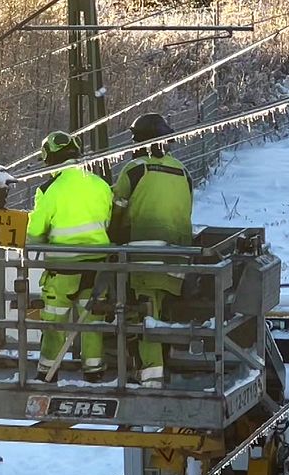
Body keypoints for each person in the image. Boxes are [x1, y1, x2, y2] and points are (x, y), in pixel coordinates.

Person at [111, 113, 194, 388]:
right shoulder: (182, 170)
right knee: (163, 312)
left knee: (144, 314)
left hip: (144, 257)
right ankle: (162, 366)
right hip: (179, 258)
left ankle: (151, 377)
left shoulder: (135, 169)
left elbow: (116, 211)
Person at [28, 130, 114, 383]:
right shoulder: (100, 184)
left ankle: (47, 371)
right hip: (97, 268)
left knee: (54, 320)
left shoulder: (49, 189)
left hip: (62, 269)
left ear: (50, 159)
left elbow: (35, 234)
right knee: (92, 322)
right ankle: (94, 369)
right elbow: (107, 221)